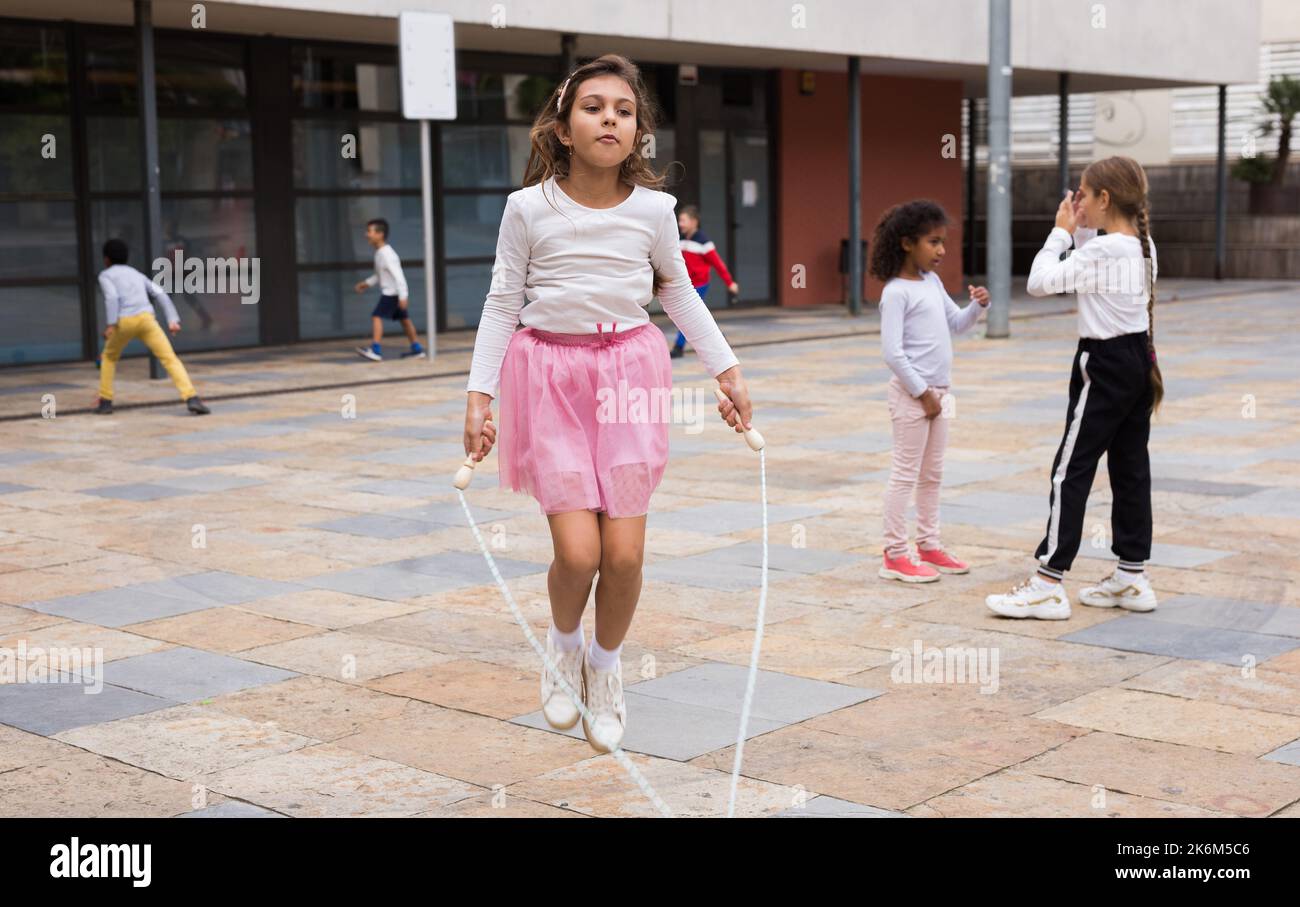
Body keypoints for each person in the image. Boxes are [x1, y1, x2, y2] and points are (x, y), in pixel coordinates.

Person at [462, 54, 755, 754]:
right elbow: (504, 299)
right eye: (593, 107)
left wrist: (727, 368)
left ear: (638, 132)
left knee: (622, 556)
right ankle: (564, 647)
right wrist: (479, 394)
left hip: (629, 371)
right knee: (578, 548)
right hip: (549, 376)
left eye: (624, 110)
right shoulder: (527, 208)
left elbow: (677, 291)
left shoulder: (654, 211)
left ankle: (604, 665)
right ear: (563, 127)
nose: (609, 119)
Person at [986, 155, 1162, 620]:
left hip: (1102, 365)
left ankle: (1048, 581)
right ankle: (1131, 575)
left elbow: (1041, 282)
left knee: (1071, 468)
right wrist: (1082, 230)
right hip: (1138, 360)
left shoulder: (1106, 253)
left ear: (1104, 198)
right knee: (1130, 468)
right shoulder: (1140, 245)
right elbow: (1085, 268)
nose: (1077, 200)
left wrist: (1062, 230)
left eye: (1084, 194)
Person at [871, 201, 988, 583]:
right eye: (933, 242)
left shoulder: (932, 283)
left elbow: (955, 323)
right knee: (905, 474)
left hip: (940, 395)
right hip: (913, 397)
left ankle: (929, 544)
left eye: (943, 242)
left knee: (932, 474)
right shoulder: (896, 293)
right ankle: (894, 553)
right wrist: (923, 394)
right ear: (907, 243)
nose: (941, 251)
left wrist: (976, 307)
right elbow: (892, 352)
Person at [94, 238, 210, 416]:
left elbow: (112, 298)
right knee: (170, 359)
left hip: (124, 321)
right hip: (147, 319)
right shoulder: (136, 273)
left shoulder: (106, 275)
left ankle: (105, 401)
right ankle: (192, 398)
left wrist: (111, 324)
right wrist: (173, 319)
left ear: (106, 259)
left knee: (108, 358)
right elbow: (160, 293)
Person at [669, 204, 739, 358]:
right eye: (679, 220)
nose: (680, 224)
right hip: (685, 285)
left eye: (683, 220)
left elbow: (718, 265)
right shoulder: (679, 239)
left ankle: (678, 347)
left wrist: (730, 283)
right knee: (695, 315)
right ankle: (720, 338)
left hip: (700, 284)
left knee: (686, 315)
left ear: (694, 222)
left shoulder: (704, 242)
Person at [353, 218, 426, 361]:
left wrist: (403, 296)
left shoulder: (387, 254)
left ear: (380, 234)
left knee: (377, 316)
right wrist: (366, 284)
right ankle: (417, 349)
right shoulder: (380, 253)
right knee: (405, 320)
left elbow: (399, 276)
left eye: (370, 231)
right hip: (394, 294)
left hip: (391, 294)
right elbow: (380, 275)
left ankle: (375, 350)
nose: (366, 234)